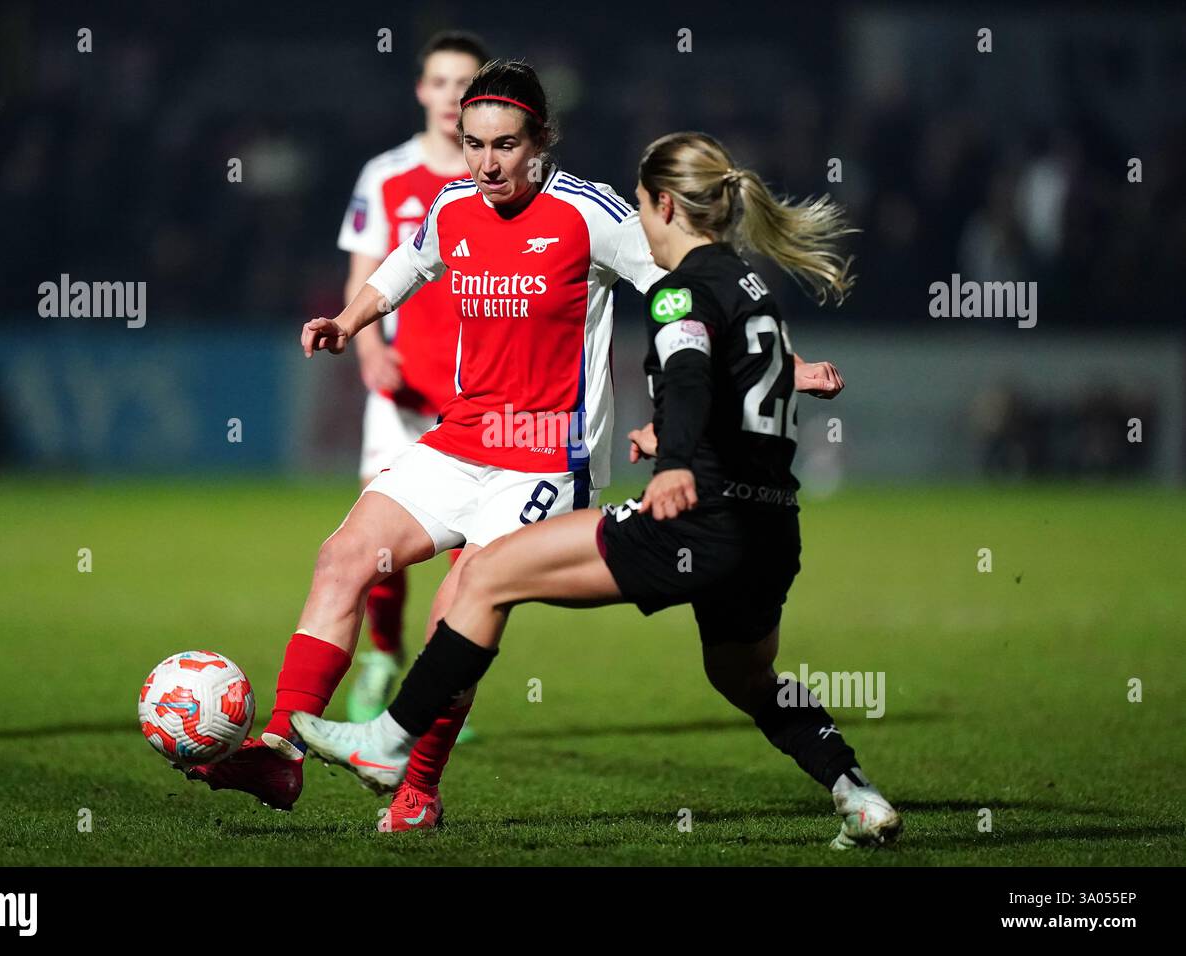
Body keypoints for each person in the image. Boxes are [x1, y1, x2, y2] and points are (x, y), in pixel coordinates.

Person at [189, 63, 842, 833]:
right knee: (341, 559)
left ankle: (418, 789)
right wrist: (351, 318)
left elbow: (694, 287)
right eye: (473, 145)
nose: (488, 163)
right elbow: (408, 262)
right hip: (460, 439)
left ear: (543, 140)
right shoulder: (456, 203)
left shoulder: (592, 215)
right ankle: (279, 753)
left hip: (543, 456)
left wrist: (773, 365)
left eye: (506, 145)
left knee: (455, 608)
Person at [290, 131, 902, 850]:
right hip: (772, 530)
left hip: (696, 522)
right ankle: (856, 792)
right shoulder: (748, 285)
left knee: (486, 574)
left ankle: (391, 743)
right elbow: (727, 388)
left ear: (665, 205)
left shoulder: (681, 293)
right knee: (747, 677)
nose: (633, 219)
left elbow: (689, 374)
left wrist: (672, 459)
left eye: (640, 205)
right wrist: (672, 435)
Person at [333, 31, 488, 730]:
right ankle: (383, 657)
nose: (453, 95)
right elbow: (363, 276)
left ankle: (440, 689)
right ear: (422, 90)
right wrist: (370, 353)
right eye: (441, 81)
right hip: (403, 389)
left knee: (474, 554)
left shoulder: (501, 176)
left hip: (481, 390)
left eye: (466, 83)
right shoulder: (385, 174)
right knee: (379, 543)